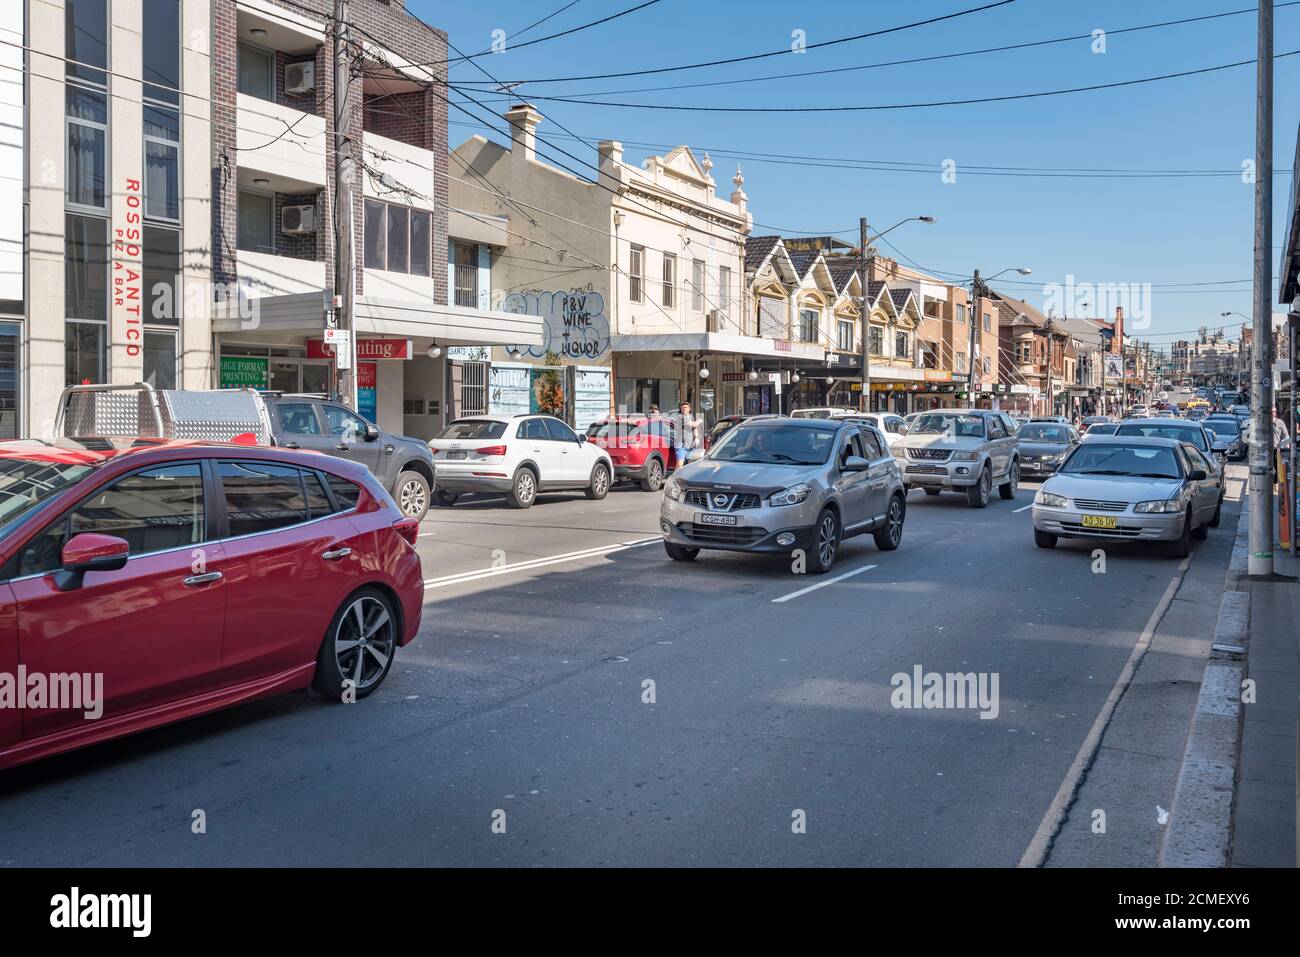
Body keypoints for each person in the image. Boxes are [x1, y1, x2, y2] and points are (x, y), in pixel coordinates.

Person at [668, 401, 703, 466]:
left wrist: (696, 438)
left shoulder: (691, 417)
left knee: (690, 465)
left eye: (686, 407)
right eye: (682, 407)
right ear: (681, 409)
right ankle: (676, 476)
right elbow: (693, 424)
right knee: (680, 464)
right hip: (681, 445)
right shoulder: (680, 417)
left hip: (690, 444)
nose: (684, 409)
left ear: (689, 409)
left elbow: (694, 428)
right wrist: (700, 421)